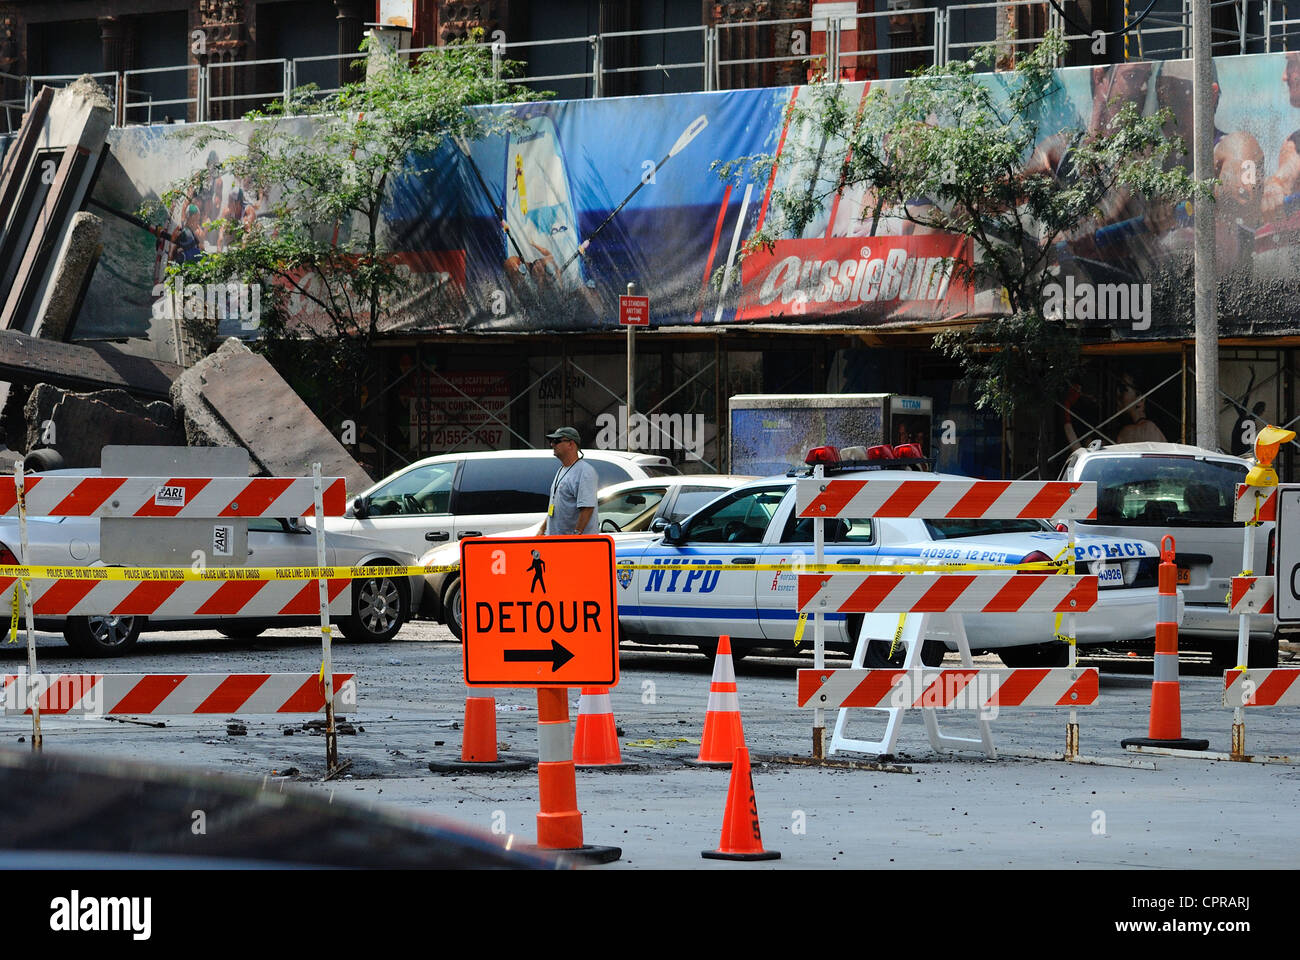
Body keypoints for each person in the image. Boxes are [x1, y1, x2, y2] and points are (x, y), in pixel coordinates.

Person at [537, 426, 599, 535]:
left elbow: (587, 508)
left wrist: (575, 536)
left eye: (557, 441)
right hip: (560, 543)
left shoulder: (585, 471)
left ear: (571, 444)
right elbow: (554, 508)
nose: (552, 445)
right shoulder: (562, 469)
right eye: (552, 441)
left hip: (574, 547)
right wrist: (542, 530)